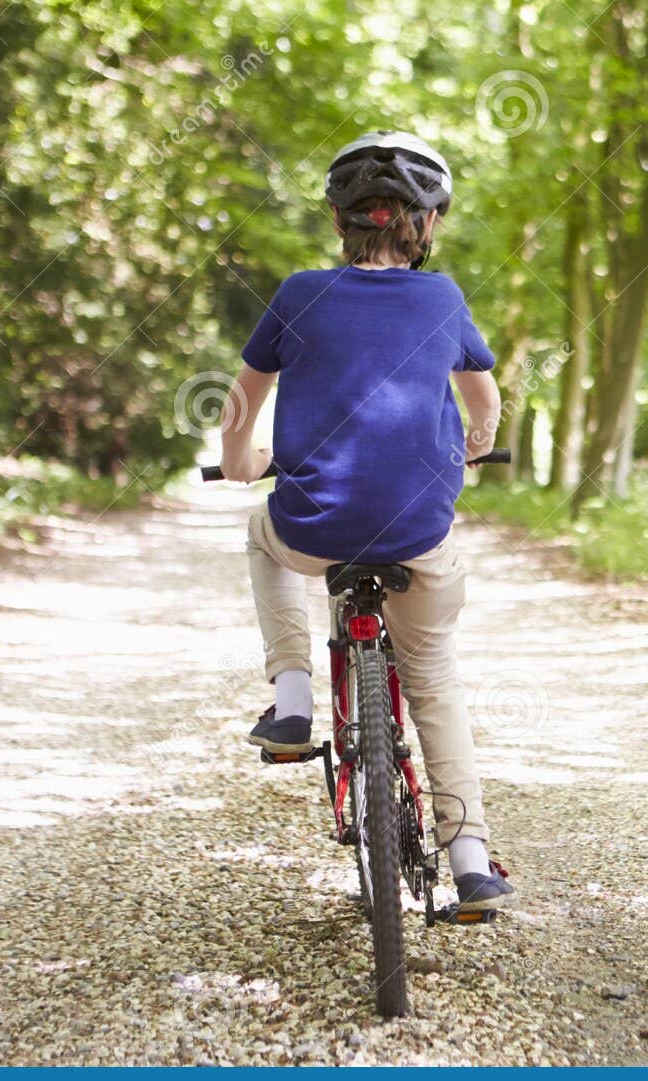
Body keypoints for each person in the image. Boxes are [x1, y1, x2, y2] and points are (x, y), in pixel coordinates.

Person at [217, 130, 513, 913]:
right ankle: (472, 856)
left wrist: (244, 458)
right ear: (429, 222)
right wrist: (476, 448)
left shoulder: (298, 292)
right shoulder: (443, 298)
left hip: (314, 529)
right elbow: (483, 400)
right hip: (419, 535)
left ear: (339, 220)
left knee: (261, 534)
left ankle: (292, 699)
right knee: (435, 678)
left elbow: (243, 399)